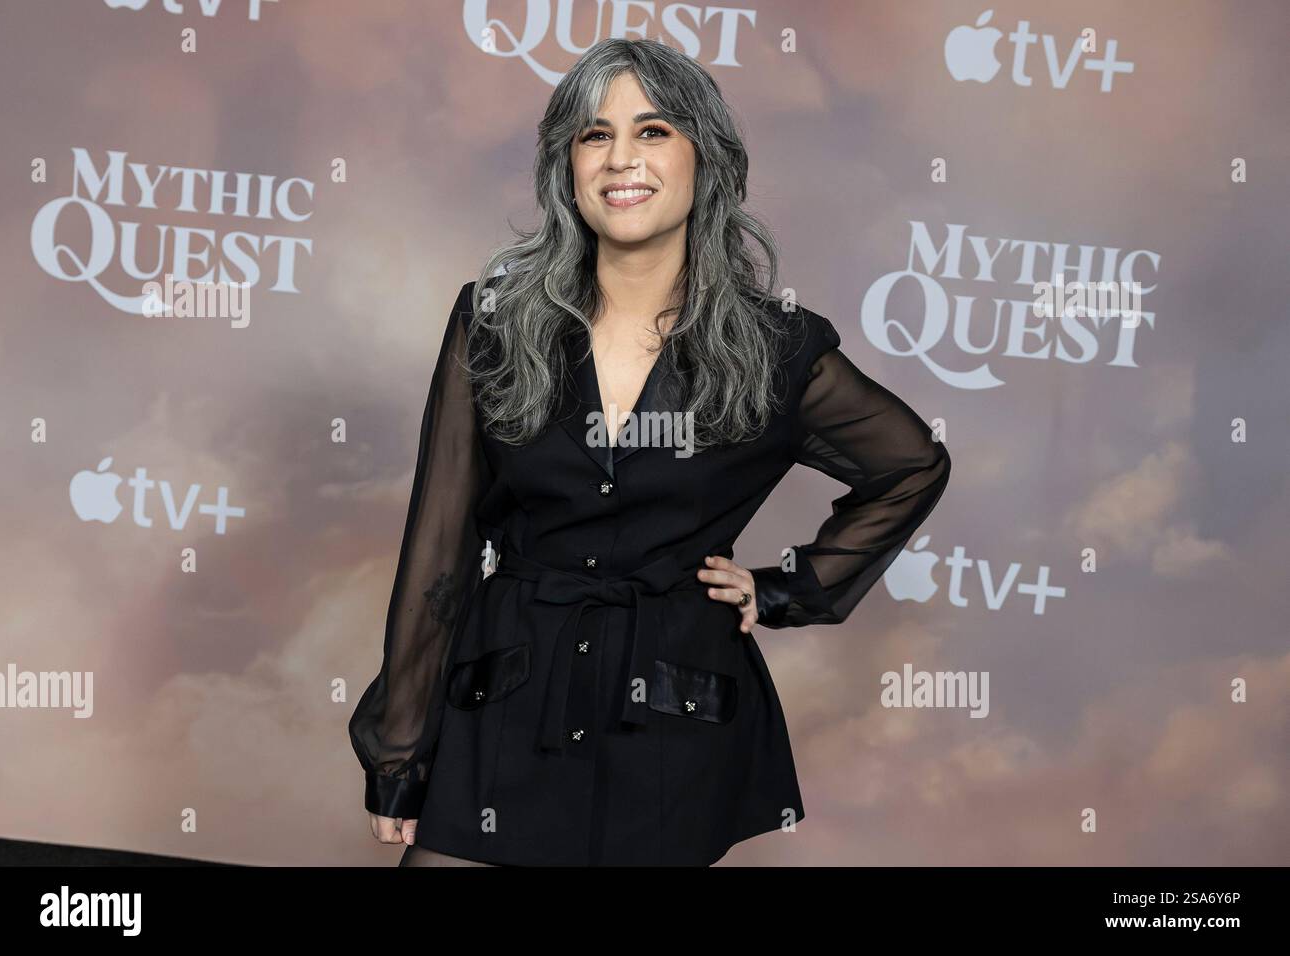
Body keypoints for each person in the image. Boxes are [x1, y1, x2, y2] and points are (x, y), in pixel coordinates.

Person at [348, 37, 951, 867]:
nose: (620, 159)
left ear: (708, 158)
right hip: (508, 690)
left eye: (654, 131)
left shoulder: (778, 348)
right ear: (568, 167)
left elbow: (912, 464)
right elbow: (439, 549)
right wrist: (400, 753)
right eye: (594, 136)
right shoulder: (492, 318)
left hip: (674, 711)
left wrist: (786, 589)